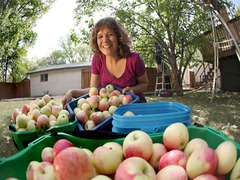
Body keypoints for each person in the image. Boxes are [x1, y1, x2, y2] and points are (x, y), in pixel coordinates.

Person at [62, 17, 148, 109]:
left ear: (118, 37)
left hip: (135, 104)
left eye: (109, 34)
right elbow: (93, 91)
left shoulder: (134, 58)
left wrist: (133, 89)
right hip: (109, 109)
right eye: (100, 36)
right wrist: (71, 92)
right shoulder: (98, 59)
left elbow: (144, 84)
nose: (105, 40)